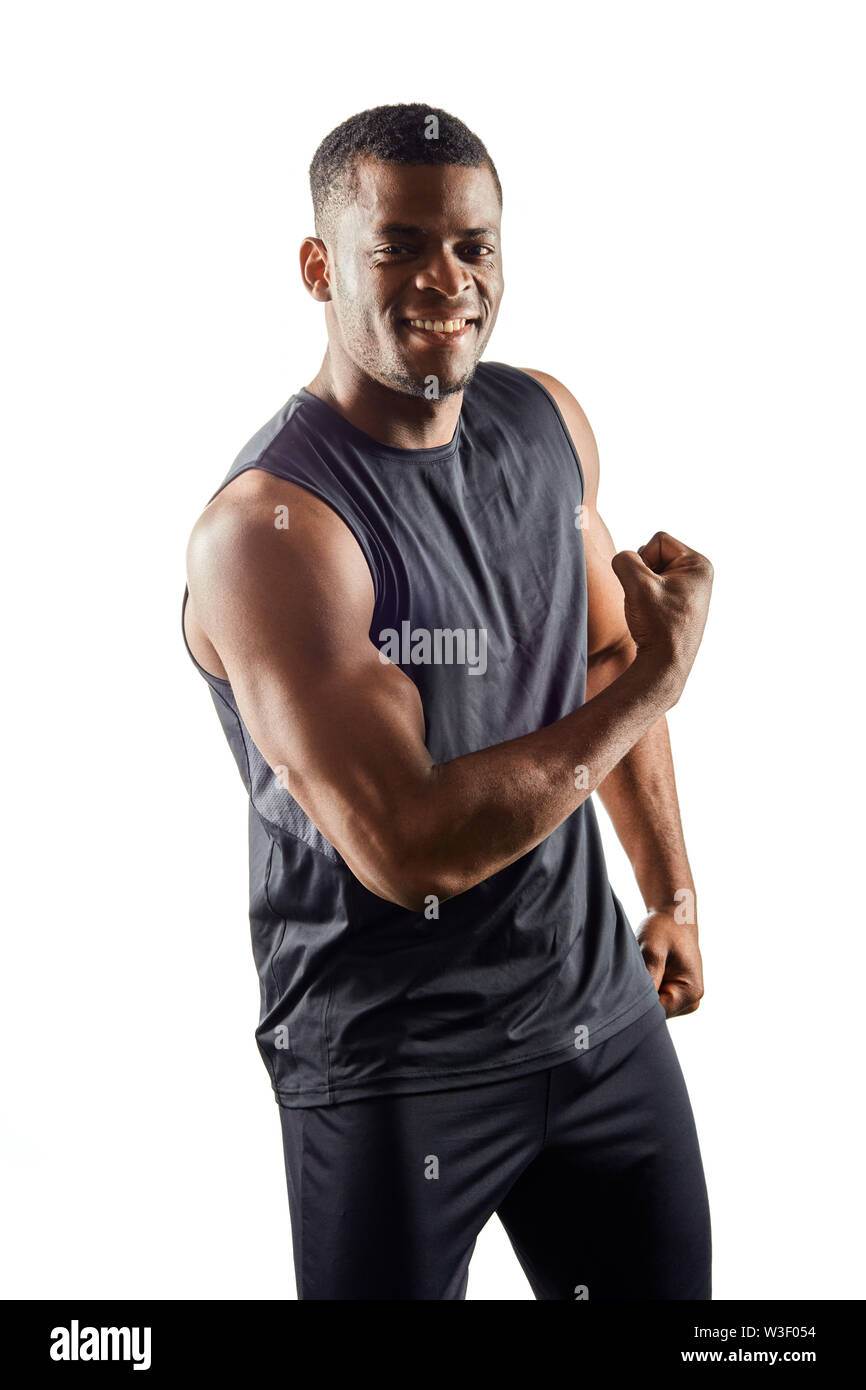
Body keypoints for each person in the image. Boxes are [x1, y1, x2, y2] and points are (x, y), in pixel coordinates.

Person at [181, 103, 714, 1300]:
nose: (446, 280)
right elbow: (410, 847)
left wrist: (669, 891)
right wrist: (658, 683)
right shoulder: (273, 533)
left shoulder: (543, 422)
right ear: (319, 268)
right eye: (400, 246)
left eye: (473, 247)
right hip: (388, 1065)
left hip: (594, 1021)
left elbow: (601, 659)